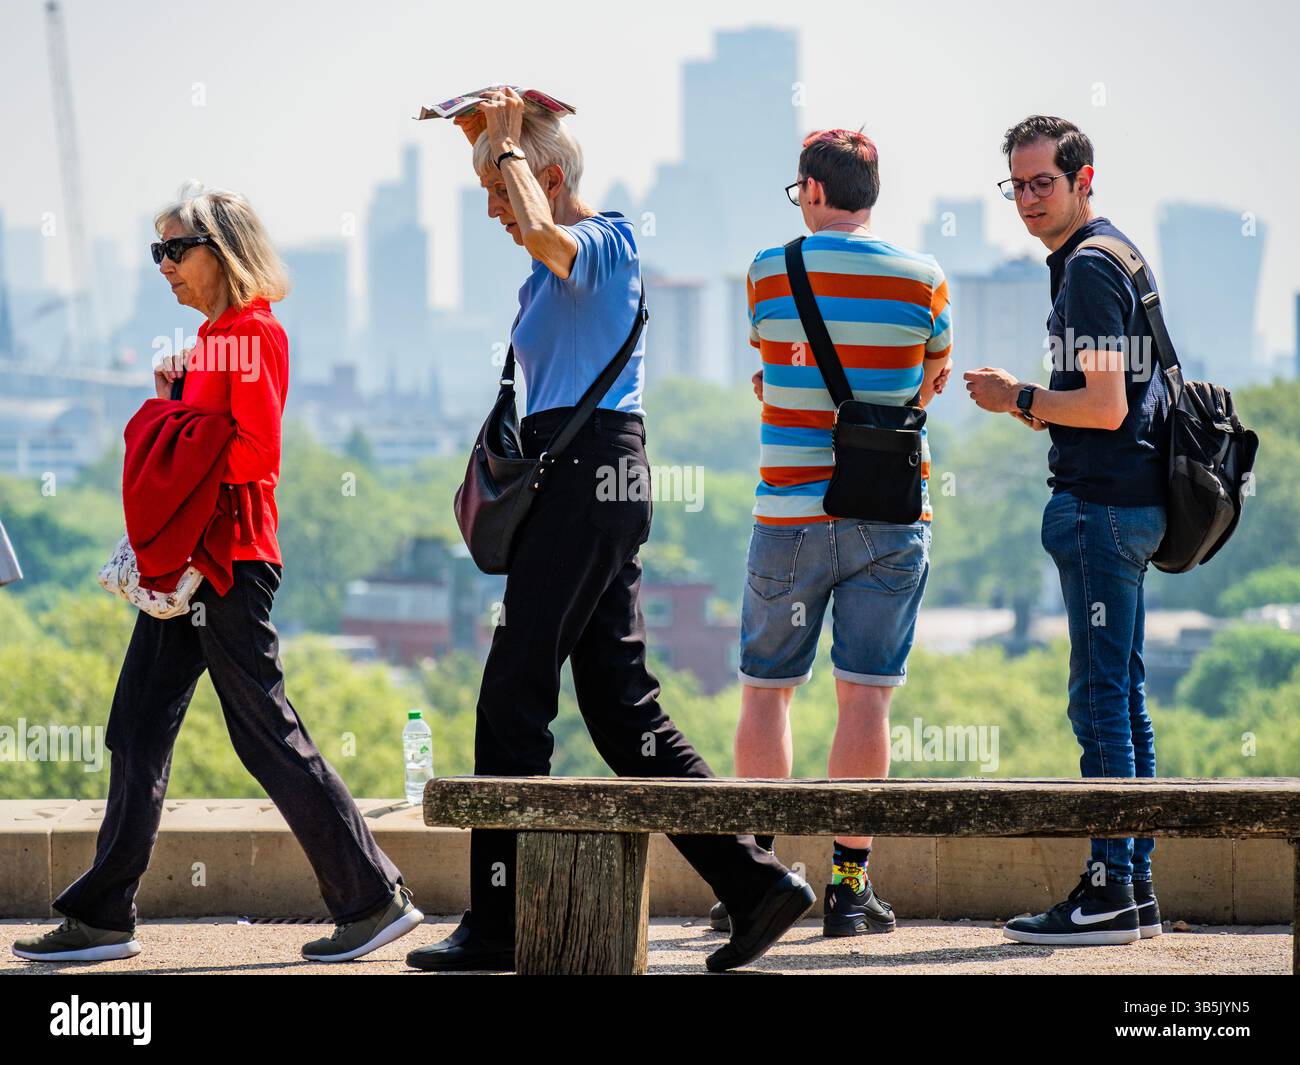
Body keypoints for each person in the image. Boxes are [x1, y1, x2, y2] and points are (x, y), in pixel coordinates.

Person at [405, 87, 815, 974]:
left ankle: (500, 922)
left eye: (500, 191)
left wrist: (507, 142)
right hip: (587, 475)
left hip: (588, 476)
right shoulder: (554, 267)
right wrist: (489, 133)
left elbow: (551, 233)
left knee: (511, 694)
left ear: (548, 177)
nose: (494, 211)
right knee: (621, 708)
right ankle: (756, 884)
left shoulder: (607, 240)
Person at [12, 183, 422, 965]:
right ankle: (102, 916)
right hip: (189, 569)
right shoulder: (213, 338)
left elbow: (251, 455)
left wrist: (169, 419)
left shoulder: (253, 331)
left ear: (223, 249)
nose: (163, 265)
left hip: (227, 564)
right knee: (134, 727)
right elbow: (205, 438)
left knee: (266, 735)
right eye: (156, 251)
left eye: (175, 249)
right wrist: (175, 400)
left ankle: (373, 900)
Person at [710, 129, 953, 937]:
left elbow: (775, 364)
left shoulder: (769, 270)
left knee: (767, 691)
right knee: (866, 699)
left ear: (813, 190)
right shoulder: (926, 279)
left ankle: (759, 881)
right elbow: (929, 378)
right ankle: (851, 892)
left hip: (788, 514)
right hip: (888, 516)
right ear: (871, 191)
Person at [964, 116, 1170, 946]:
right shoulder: (1115, 254)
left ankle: (1109, 885)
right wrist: (1038, 407)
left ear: (1086, 179)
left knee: (1099, 702)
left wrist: (1016, 396)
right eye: (1015, 184)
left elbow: (1104, 405)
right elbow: (1103, 406)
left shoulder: (1087, 266)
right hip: (1134, 502)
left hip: (1103, 509)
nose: (1025, 199)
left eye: (1042, 182)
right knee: (1125, 695)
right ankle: (1137, 887)